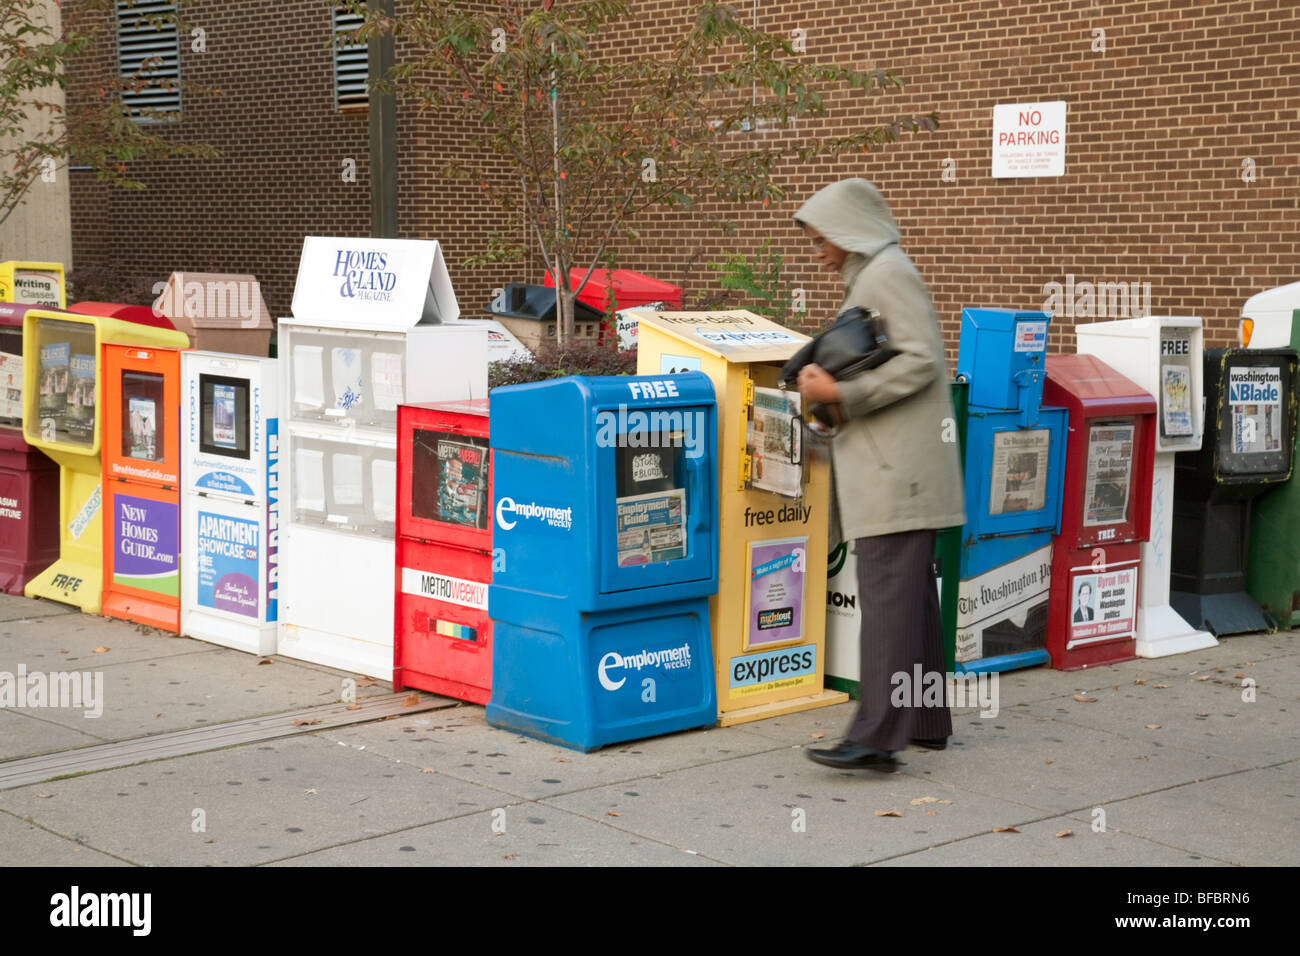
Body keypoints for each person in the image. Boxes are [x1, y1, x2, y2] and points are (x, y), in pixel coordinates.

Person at [794, 178, 966, 772]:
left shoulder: (886, 272)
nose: (818, 251)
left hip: (899, 471)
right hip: (899, 465)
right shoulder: (875, 272)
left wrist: (840, 390)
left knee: (889, 597)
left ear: (848, 231)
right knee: (910, 598)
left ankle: (874, 737)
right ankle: (923, 718)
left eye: (822, 240)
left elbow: (923, 359)